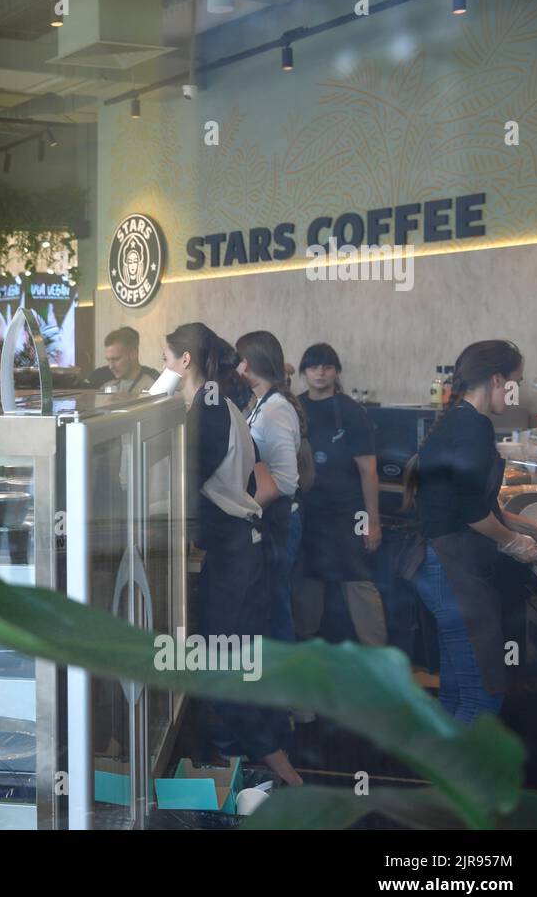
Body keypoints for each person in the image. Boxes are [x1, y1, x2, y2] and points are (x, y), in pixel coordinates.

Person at [163, 322, 300, 786]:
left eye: (168, 356)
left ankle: (278, 770)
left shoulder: (206, 410)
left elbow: (185, 481)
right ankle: (252, 768)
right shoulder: (225, 404)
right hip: (248, 547)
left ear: (184, 360)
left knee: (227, 669)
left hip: (235, 555)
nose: (164, 365)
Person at [404, 340, 537, 723]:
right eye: (516, 382)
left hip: (439, 565)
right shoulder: (474, 428)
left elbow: (480, 505)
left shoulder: (460, 421)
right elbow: (473, 514)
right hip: (453, 572)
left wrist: (533, 529)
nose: (517, 392)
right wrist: (513, 542)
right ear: (497, 379)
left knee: (457, 690)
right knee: (483, 698)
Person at [294, 343, 388, 649]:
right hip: (308, 512)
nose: (320, 372)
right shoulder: (293, 407)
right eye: (313, 366)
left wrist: (373, 522)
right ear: (304, 372)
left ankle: (378, 658)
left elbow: (368, 471)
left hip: (350, 512)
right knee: (308, 582)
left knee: (358, 580)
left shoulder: (350, 410)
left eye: (327, 367)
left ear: (336, 372)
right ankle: (305, 653)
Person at [236, 331, 307, 644]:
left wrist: (242, 509)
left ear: (246, 363)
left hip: (278, 521)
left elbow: (286, 482)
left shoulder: (275, 409)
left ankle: (284, 687)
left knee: (276, 608)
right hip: (271, 520)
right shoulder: (262, 405)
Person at [88, 327, 160, 395]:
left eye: (116, 359)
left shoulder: (152, 387)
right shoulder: (107, 386)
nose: (111, 366)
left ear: (133, 354)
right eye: (108, 360)